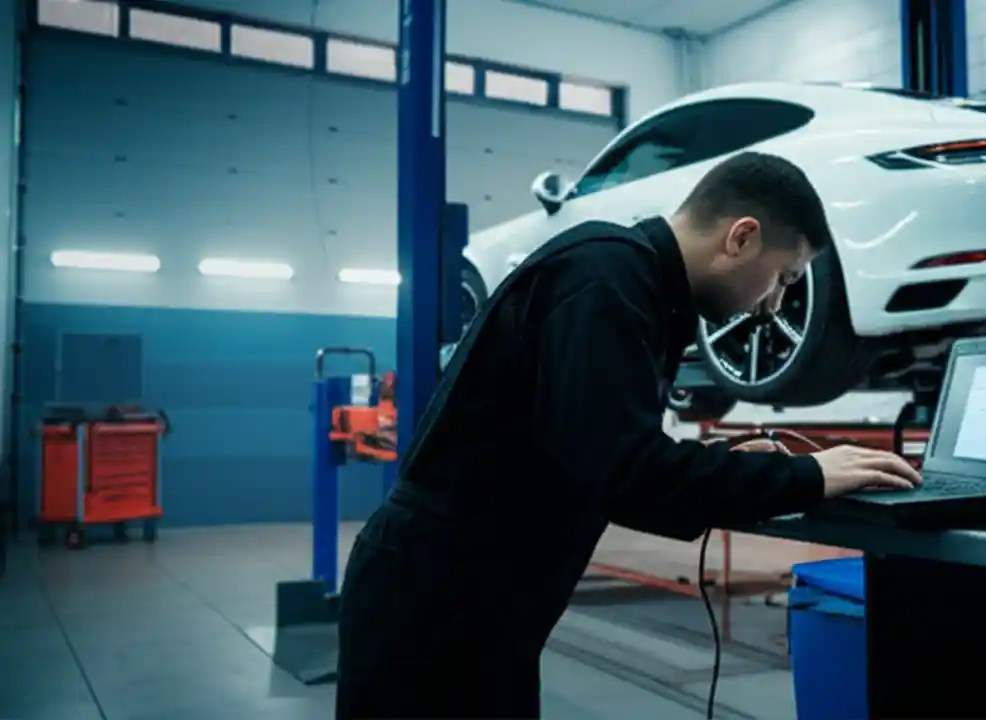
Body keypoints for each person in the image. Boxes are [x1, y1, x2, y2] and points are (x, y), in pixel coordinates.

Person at [335, 151, 923, 719]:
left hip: (473, 600)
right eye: (781, 278)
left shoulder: (629, 281)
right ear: (741, 238)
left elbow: (597, 448)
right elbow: (626, 475)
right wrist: (809, 475)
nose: (772, 307)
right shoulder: (606, 277)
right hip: (433, 605)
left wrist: (723, 464)